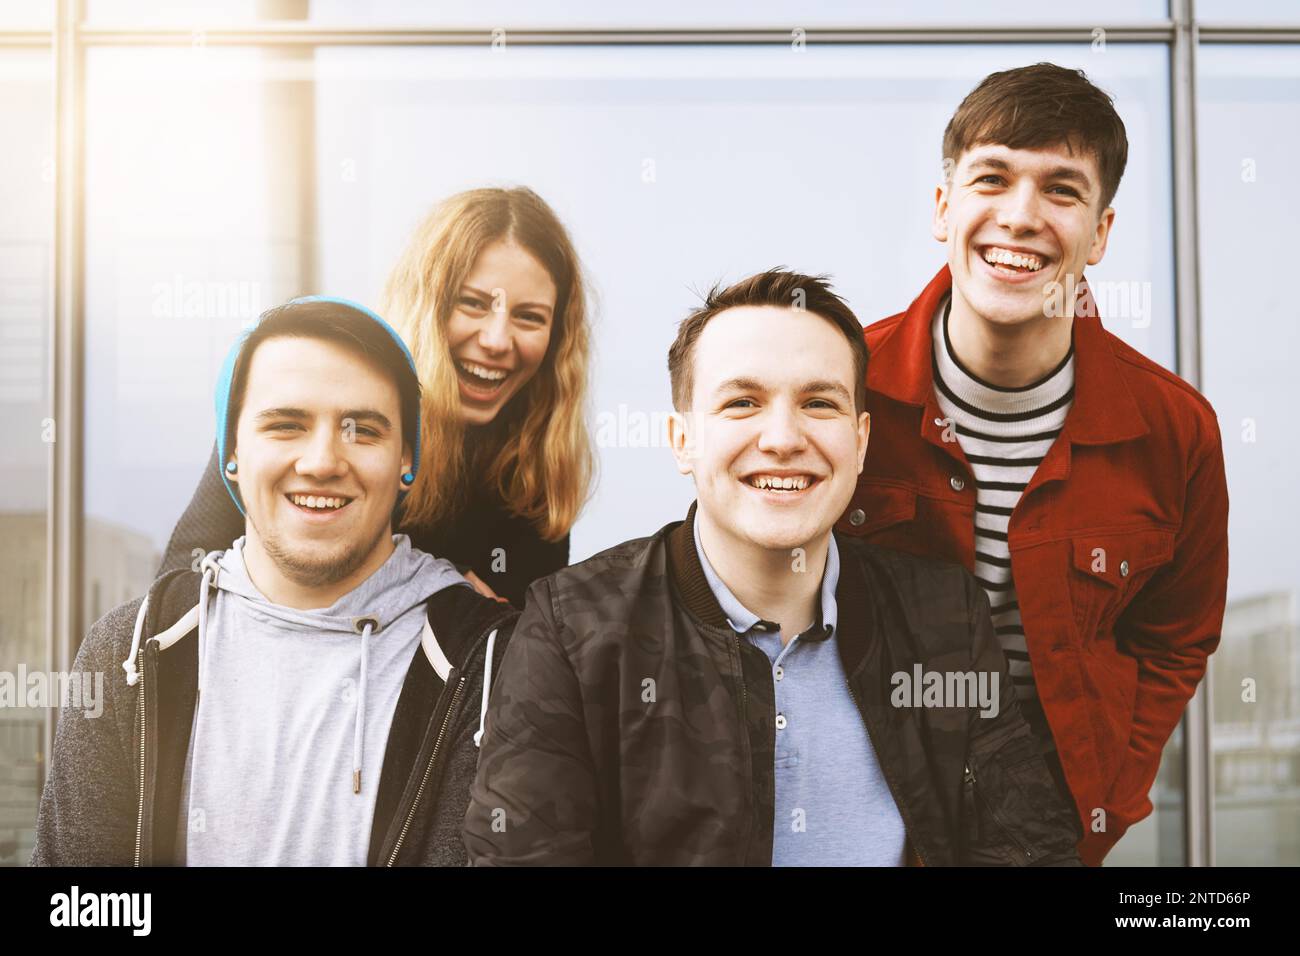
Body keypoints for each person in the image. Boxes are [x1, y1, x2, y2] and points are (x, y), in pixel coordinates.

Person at [464, 270, 1082, 866]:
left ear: (860, 441)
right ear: (683, 440)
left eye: (818, 402)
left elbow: (1030, 848)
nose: (783, 437)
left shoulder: (945, 617)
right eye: (742, 403)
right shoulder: (572, 628)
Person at [836, 63, 1229, 866]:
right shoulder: (840, 387)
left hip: (1049, 821)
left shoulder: (1173, 429)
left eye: (1061, 189)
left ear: (1101, 231)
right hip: (859, 804)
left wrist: (1107, 793)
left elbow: (1177, 637)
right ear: (945, 208)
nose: (1020, 217)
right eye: (993, 178)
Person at [32, 298, 519, 866]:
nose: (321, 461)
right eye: (286, 425)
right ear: (231, 452)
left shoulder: (488, 664)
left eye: (362, 430)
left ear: (406, 457)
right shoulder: (131, 653)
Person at [158, 186, 594, 608]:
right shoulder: (303, 407)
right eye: (472, 304)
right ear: (424, 306)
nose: (498, 340)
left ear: (557, 336)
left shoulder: (539, 462)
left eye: (529, 317)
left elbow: (524, 653)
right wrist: (430, 585)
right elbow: (181, 593)